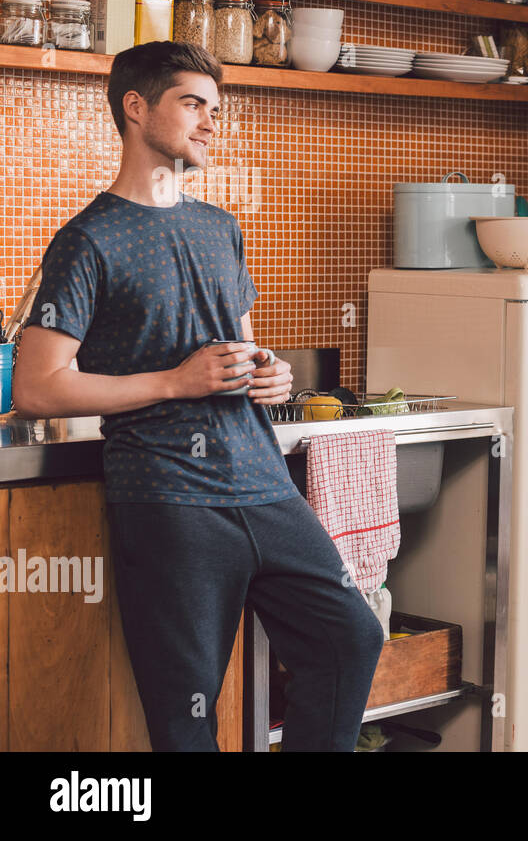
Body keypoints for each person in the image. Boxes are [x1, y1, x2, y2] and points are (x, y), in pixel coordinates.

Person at [11, 41, 384, 751]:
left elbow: (240, 347)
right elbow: (36, 385)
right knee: (186, 717)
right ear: (135, 107)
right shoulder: (87, 241)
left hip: (264, 484)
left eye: (215, 108)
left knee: (351, 638)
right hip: (168, 498)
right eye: (193, 104)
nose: (212, 122)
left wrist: (270, 373)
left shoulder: (221, 228)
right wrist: (175, 382)